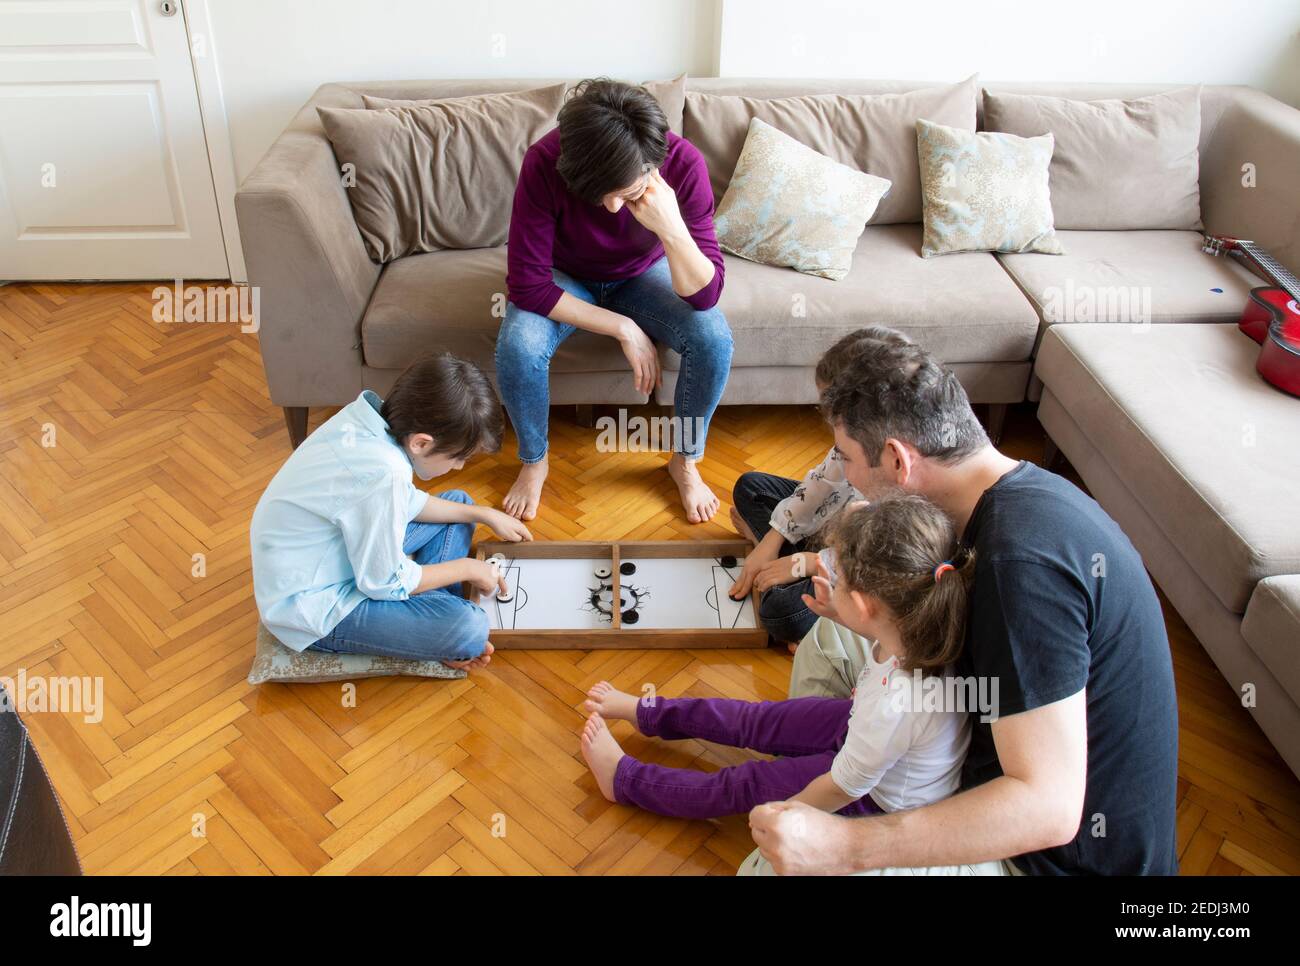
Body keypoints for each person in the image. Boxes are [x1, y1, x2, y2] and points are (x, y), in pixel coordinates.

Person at [744, 326, 1179, 876]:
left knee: (762, 869)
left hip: (1045, 857)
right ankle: (840, 779)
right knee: (831, 638)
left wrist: (845, 848)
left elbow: (1049, 808)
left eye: (848, 457)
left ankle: (836, 807)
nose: (847, 475)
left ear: (899, 460)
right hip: (985, 739)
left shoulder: (1020, 567)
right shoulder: (998, 496)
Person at [579, 496, 975, 824]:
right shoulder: (921, 619)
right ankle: (647, 713)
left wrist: (789, 814)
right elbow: (883, 643)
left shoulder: (893, 707)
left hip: (873, 797)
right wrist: (839, 615)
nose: (828, 580)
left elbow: (843, 786)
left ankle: (625, 781)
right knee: (755, 719)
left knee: (744, 783)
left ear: (862, 604)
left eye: (837, 579)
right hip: (865, 732)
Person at [496, 77, 733, 524]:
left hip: (644, 274)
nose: (611, 210)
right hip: (567, 278)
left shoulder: (684, 163)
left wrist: (671, 228)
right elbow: (527, 284)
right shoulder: (544, 160)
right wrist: (623, 326)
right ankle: (534, 460)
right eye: (600, 195)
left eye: (626, 194)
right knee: (519, 345)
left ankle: (685, 461)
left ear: (653, 166)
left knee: (712, 339)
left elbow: (706, 295)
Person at [250, 353, 531, 670]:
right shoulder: (381, 474)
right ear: (422, 444)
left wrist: (484, 514)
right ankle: (431, 625)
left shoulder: (369, 419)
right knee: (470, 628)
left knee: (462, 505)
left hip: (333, 555)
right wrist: (467, 569)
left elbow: (407, 502)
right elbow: (383, 581)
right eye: (458, 457)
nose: (459, 466)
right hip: (314, 605)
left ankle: (424, 616)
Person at [727, 335, 868, 650]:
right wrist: (772, 538)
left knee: (779, 612)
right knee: (750, 487)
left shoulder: (896, 469)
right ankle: (776, 557)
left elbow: (872, 558)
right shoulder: (854, 434)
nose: (828, 417)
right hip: (830, 522)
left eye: (833, 410)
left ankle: (800, 601)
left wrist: (810, 562)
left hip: (852, 561)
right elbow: (821, 482)